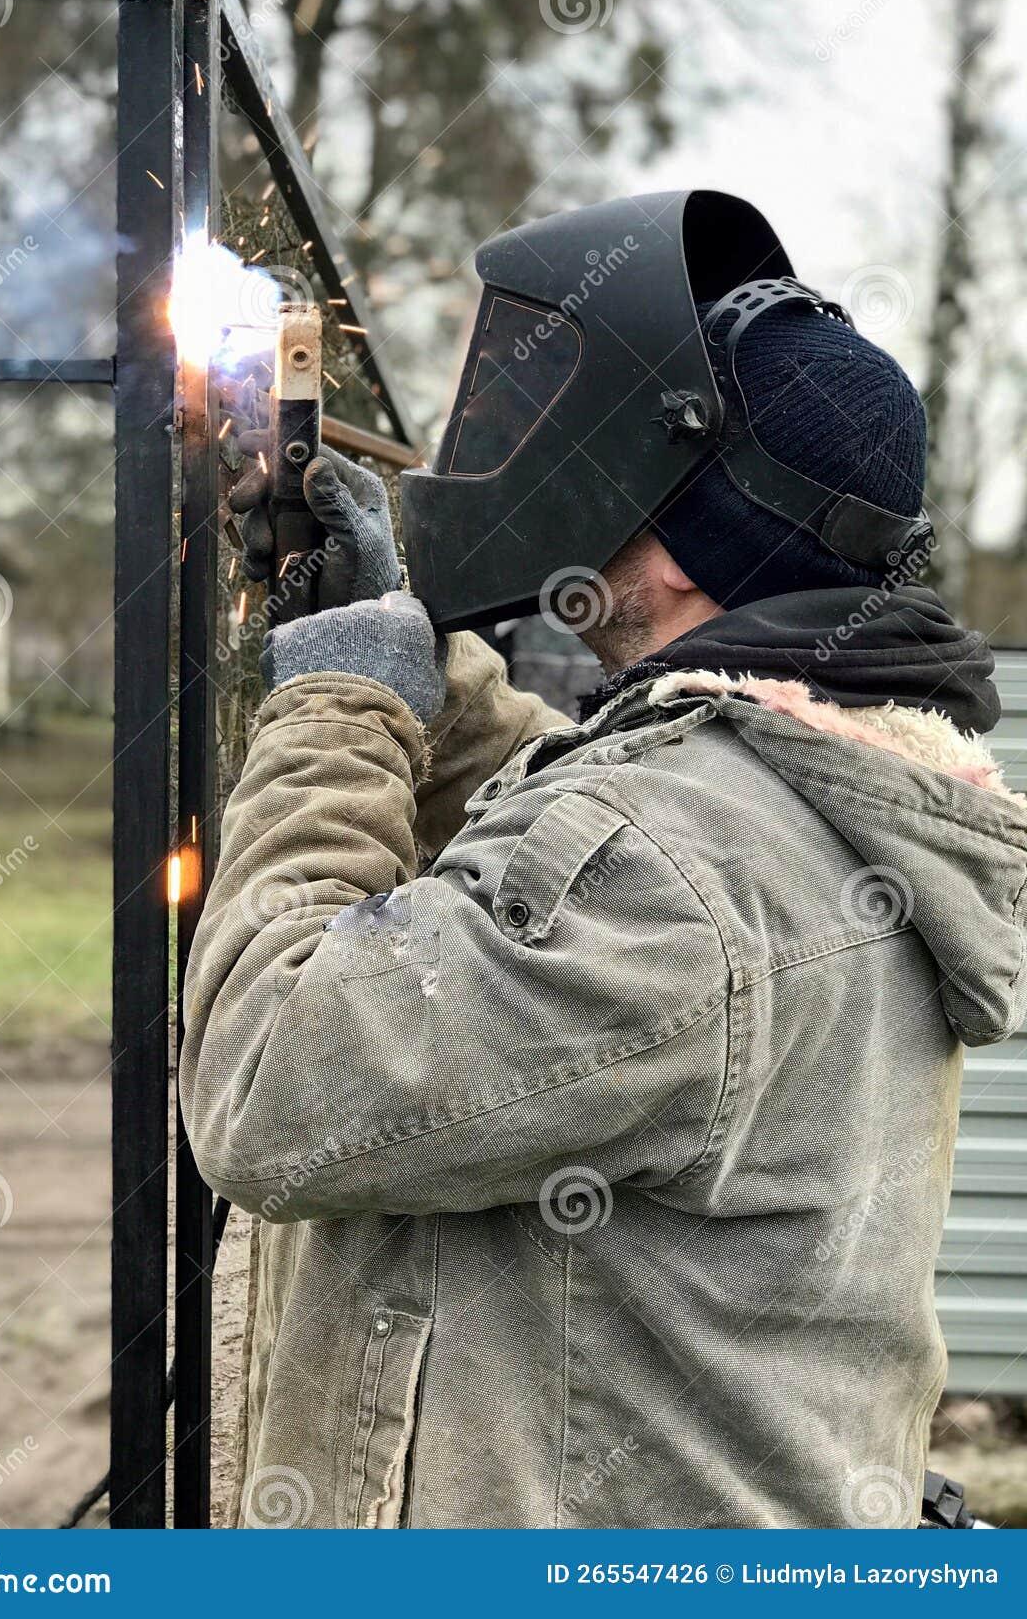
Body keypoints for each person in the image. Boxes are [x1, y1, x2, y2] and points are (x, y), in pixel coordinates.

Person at [181, 194, 1027, 1529]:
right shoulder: (798, 795)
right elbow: (561, 832)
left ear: (689, 545)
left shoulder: (676, 866)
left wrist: (338, 710)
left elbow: (274, 1084)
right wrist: (424, 671)